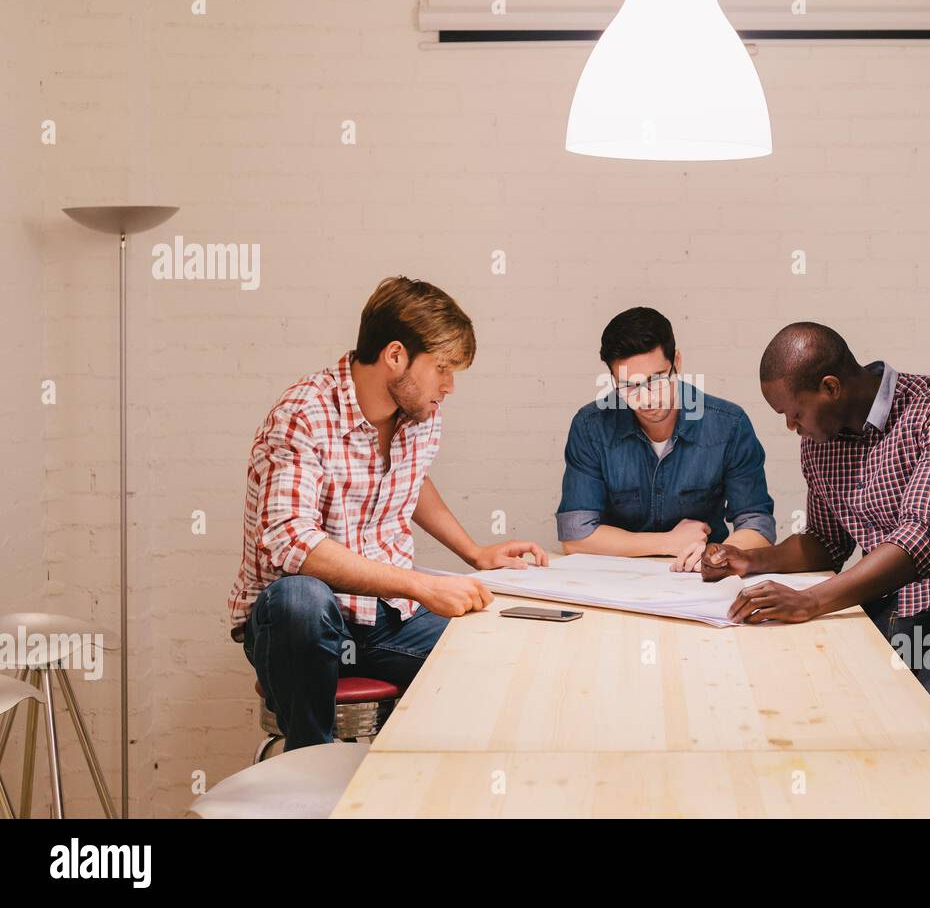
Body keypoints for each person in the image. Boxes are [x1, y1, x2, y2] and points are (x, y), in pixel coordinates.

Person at [229, 275, 547, 749]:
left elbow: (409, 481)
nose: (450, 386)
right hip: (304, 630)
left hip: (384, 622)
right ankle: (310, 770)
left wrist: (475, 553)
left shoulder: (419, 414)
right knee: (300, 600)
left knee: (498, 653)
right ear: (395, 356)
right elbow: (290, 540)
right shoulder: (304, 413)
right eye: (442, 368)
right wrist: (419, 583)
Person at [701, 321, 930, 777]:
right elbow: (827, 543)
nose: (789, 426)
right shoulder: (820, 446)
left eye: (793, 412)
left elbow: (922, 538)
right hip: (886, 604)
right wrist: (753, 560)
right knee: (821, 707)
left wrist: (811, 600)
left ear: (830, 387)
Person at [556, 307, 775, 572]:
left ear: (677, 362)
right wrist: (667, 543)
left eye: (657, 380)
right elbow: (575, 537)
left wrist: (718, 554)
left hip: (699, 574)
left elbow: (758, 525)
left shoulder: (729, 425)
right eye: (629, 386)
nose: (646, 398)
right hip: (615, 580)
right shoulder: (591, 427)